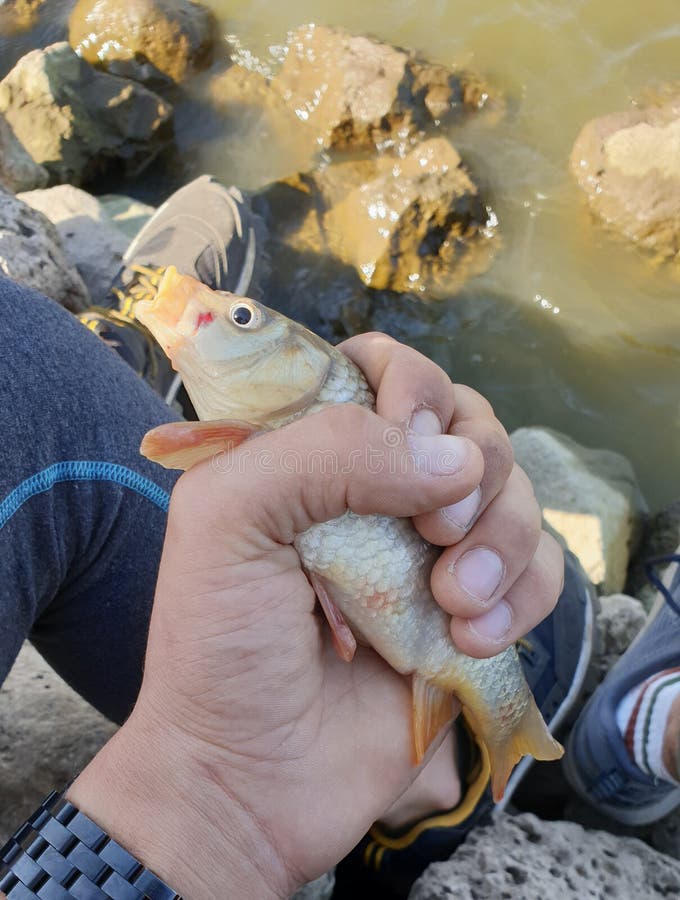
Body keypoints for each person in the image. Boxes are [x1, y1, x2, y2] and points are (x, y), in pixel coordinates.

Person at [0, 176, 670, 900]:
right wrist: (212, 807)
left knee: (29, 359)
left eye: (241, 318)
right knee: (34, 366)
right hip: (404, 644)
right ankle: (456, 769)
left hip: (353, 655)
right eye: (246, 317)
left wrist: (202, 793)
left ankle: (123, 357)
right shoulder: (306, 407)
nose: (204, 307)